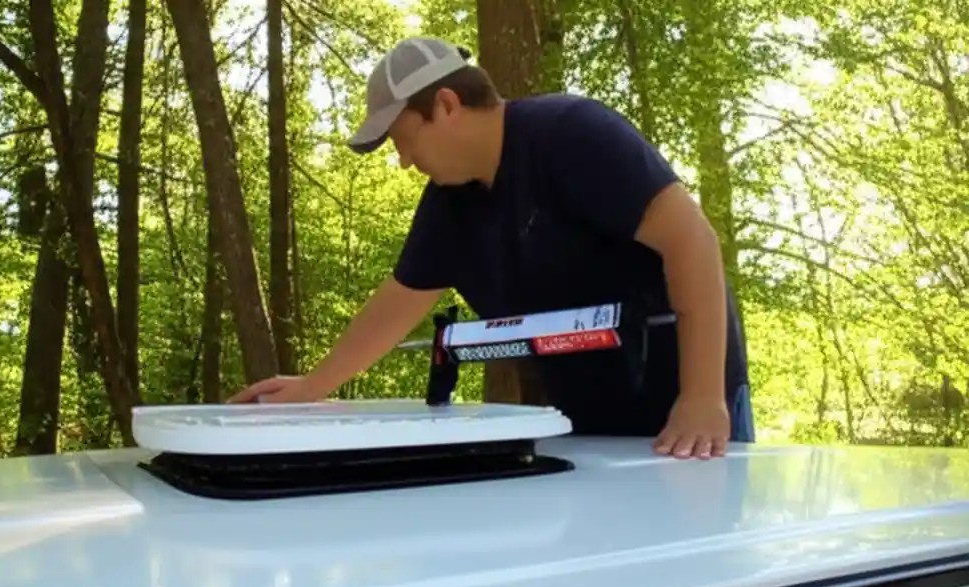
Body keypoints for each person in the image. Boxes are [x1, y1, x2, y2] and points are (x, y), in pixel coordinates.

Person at [229, 36, 755, 460]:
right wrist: (313, 386)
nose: (405, 161)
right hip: (586, 422)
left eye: (403, 139)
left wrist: (703, 398)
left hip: (690, 412)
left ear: (446, 105)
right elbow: (397, 303)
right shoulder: (448, 204)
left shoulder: (573, 134)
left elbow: (693, 243)